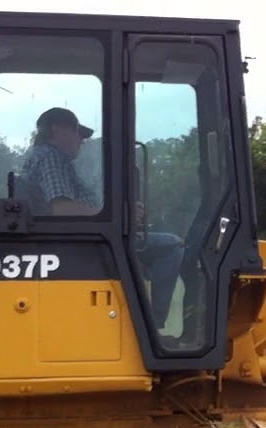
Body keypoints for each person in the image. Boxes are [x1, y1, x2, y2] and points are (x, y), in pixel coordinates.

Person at [20, 107, 187, 331]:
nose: (82, 141)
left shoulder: (46, 158)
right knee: (172, 245)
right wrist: (117, 216)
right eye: (78, 133)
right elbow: (62, 210)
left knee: (148, 246)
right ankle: (150, 326)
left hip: (83, 239)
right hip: (84, 243)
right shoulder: (50, 157)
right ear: (57, 130)